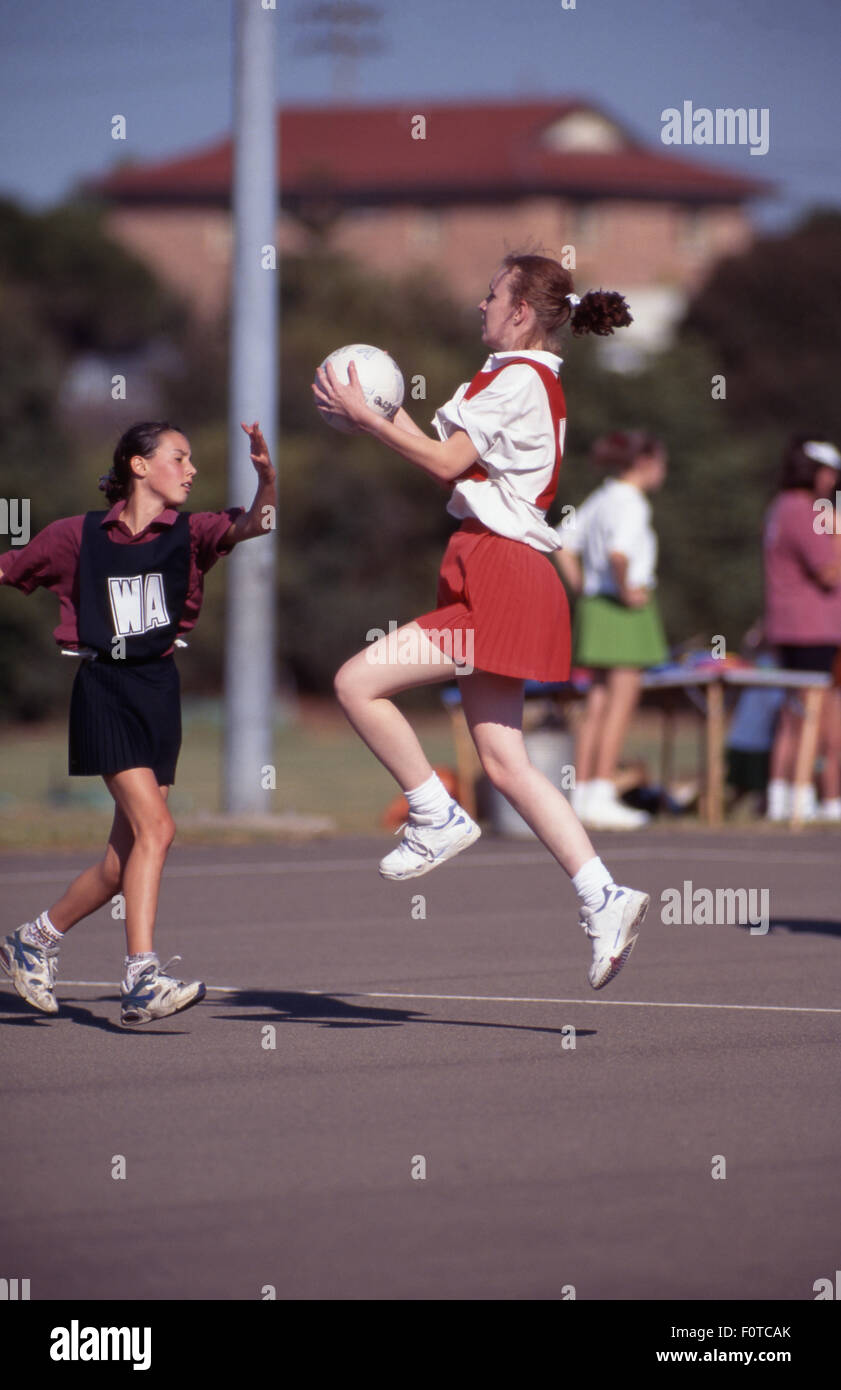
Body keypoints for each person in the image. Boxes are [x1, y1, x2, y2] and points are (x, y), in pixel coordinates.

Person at [313, 252, 650, 990]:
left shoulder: (517, 378)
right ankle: (604, 895)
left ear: (521, 311)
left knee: (356, 684)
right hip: (500, 568)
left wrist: (371, 418)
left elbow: (442, 463)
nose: (480, 305)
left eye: (491, 294)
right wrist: (375, 409)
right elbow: (451, 461)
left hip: (500, 573)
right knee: (505, 763)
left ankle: (435, 812)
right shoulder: (522, 379)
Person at [0, 420, 276, 1023]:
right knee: (159, 829)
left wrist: (268, 481)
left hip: (159, 689)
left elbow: (261, 524)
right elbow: (9, 567)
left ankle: (34, 939)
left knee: (122, 862)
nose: (192, 468)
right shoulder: (76, 536)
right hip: (105, 689)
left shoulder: (192, 531)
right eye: (180, 456)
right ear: (139, 466)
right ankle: (141, 976)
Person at [554, 431, 668, 829]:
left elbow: (562, 543)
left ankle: (583, 794)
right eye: (661, 463)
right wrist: (625, 590)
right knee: (620, 703)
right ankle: (601, 791)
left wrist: (583, 586)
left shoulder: (602, 497)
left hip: (594, 606)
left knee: (597, 703)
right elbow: (620, 554)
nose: (663, 472)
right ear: (645, 463)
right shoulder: (632, 503)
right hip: (622, 607)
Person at [763, 435, 841, 821]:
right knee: (821, 718)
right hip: (814, 629)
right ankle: (816, 799)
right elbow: (829, 572)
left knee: (794, 716)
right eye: (828, 472)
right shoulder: (804, 510)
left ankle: (785, 795)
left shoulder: (781, 507)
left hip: (789, 626)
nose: (831, 481)